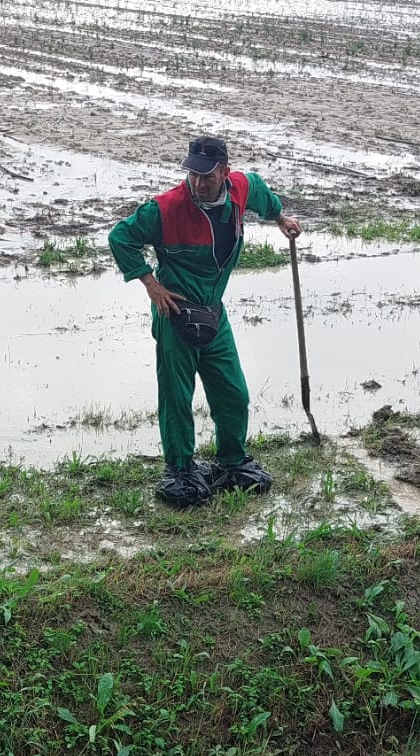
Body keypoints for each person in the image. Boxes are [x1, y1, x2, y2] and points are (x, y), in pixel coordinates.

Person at [108, 135, 303, 508]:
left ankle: (232, 461)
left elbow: (260, 191)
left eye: (207, 176)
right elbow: (121, 237)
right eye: (192, 174)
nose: (197, 183)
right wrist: (150, 284)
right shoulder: (166, 208)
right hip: (175, 314)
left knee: (233, 393)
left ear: (224, 173)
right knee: (177, 397)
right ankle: (180, 468)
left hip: (213, 312)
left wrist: (281, 218)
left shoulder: (241, 189)